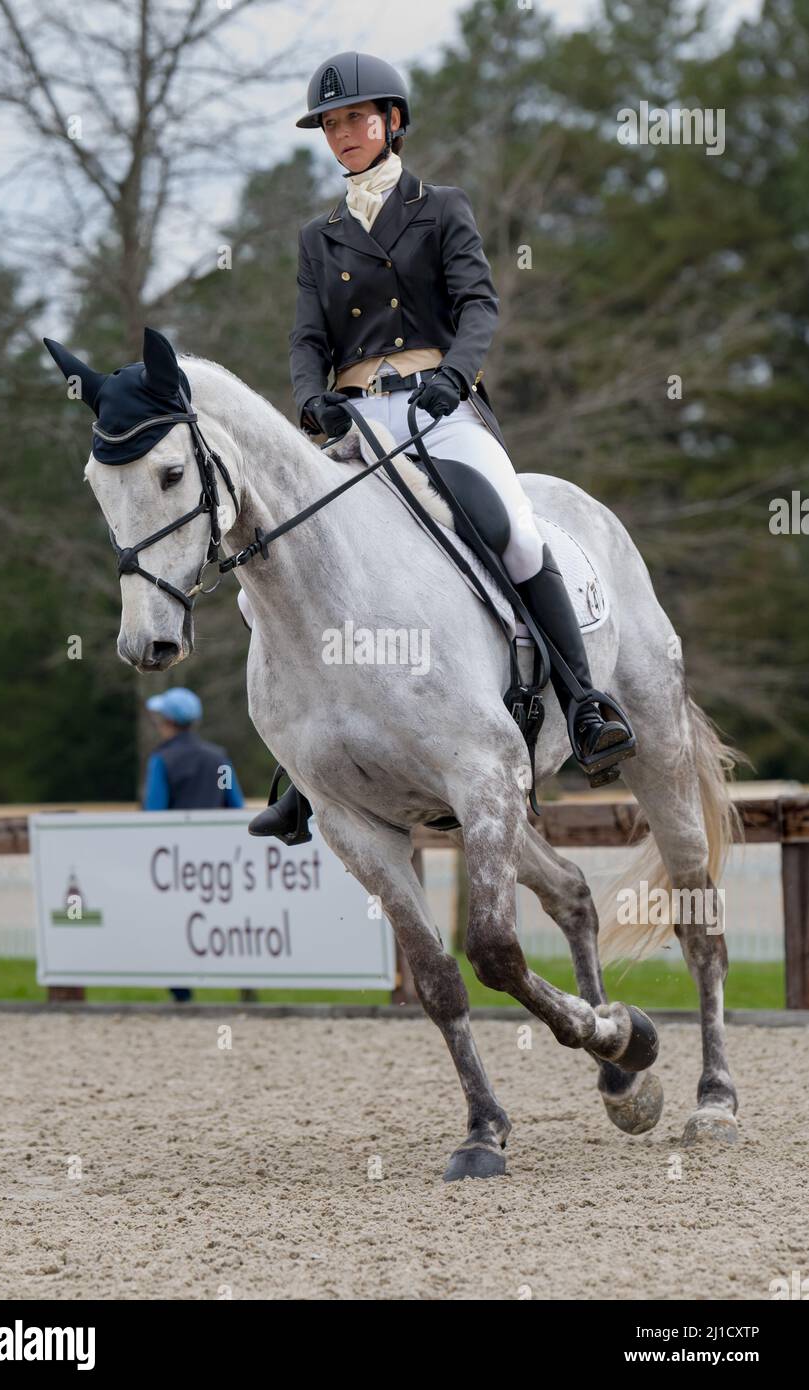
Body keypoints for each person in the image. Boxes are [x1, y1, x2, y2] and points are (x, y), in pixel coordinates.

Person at [248, 51, 635, 847]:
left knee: (515, 531)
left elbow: (478, 307)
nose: (344, 133)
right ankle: (302, 766)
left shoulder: (442, 207)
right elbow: (305, 336)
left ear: (390, 122)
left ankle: (586, 699)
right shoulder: (317, 237)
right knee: (296, 555)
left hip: (440, 407)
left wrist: (453, 379)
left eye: (356, 118)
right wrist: (309, 396)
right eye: (330, 124)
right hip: (357, 419)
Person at [143, 687, 244, 1000]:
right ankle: (245, 981)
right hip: (216, 858)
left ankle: (182, 992)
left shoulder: (161, 760)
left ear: (167, 722)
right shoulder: (219, 758)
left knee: (176, 924)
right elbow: (235, 806)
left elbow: (154, 812)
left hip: (176, 861)